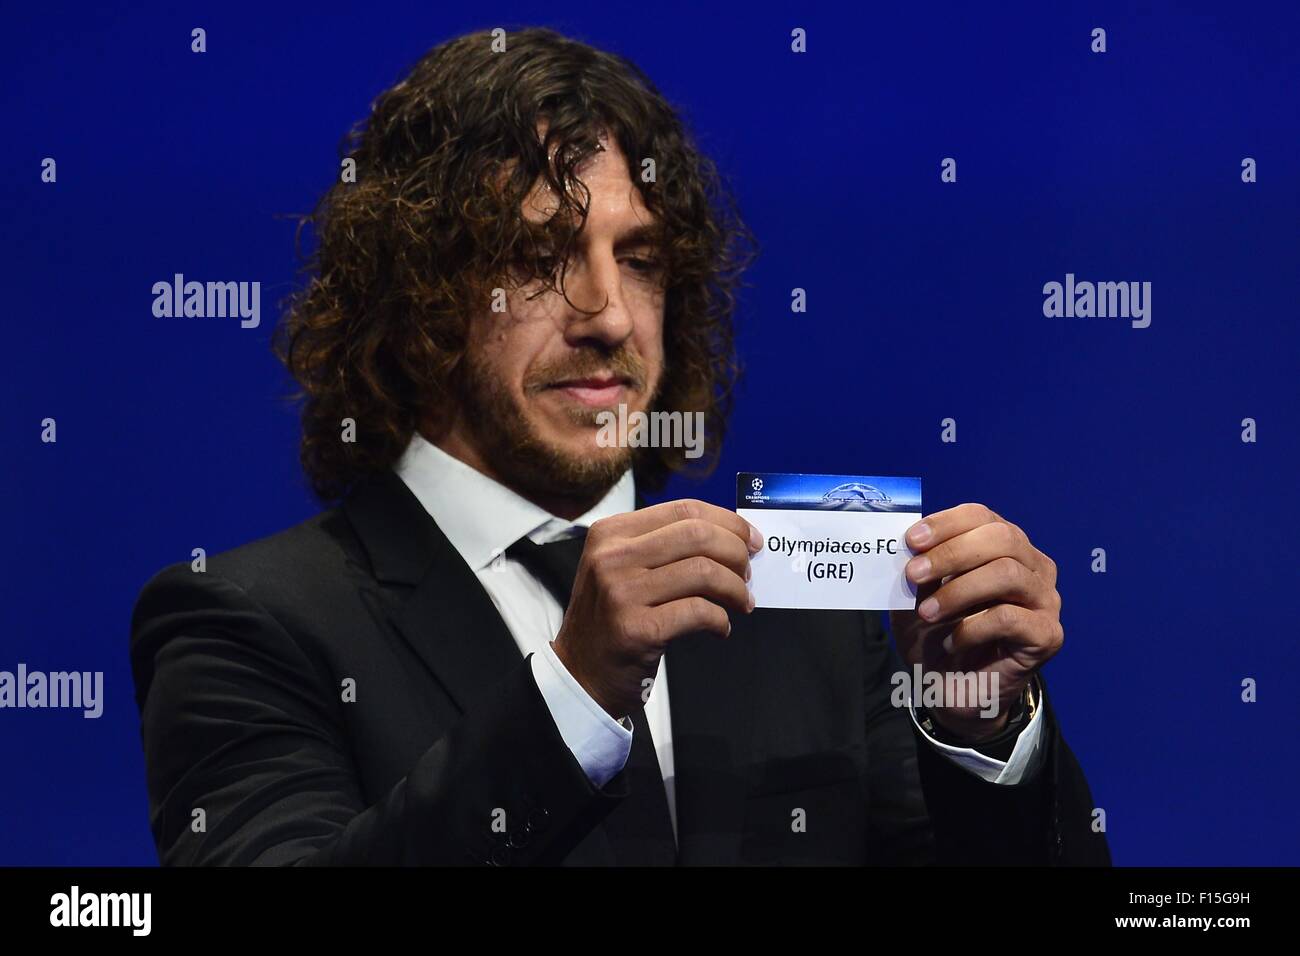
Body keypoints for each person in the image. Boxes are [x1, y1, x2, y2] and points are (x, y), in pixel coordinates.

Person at [130, 27, 1109, 866]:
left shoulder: (809, 615)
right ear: (415, 297)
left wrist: (979, 726)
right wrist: (575, 690)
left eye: (638, 261)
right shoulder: (243, 622)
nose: (606, 314)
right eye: (539, 259)